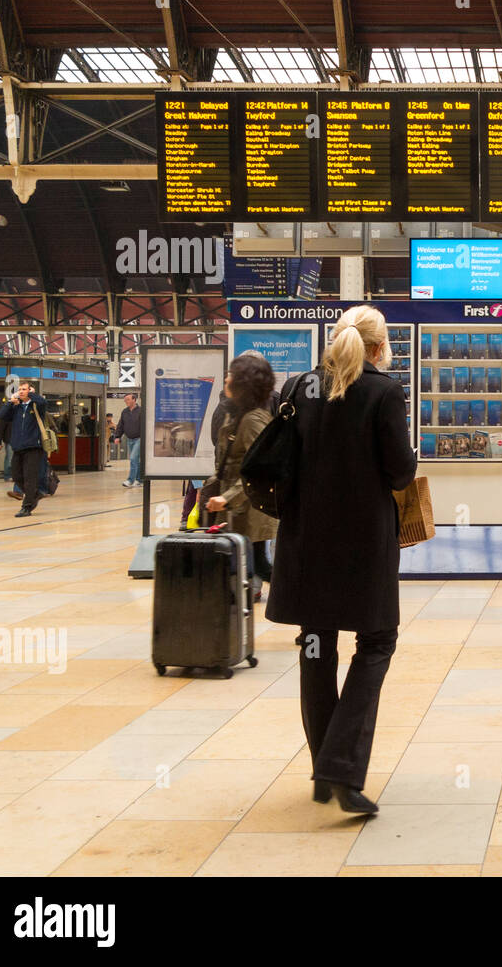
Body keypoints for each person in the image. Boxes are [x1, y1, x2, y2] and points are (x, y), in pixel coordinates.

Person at [265, 305, 416, 815]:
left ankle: (326, 762)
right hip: (364, 546)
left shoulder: (297, 389)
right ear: (379, 347)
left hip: (305, 544)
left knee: (315, 644)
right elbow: (399, 473)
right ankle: (340, 767)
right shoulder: (384, 392)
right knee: (376, 641)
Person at [203, 353, 278, 599]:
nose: (227, 379)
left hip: (248, 507)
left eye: (231, 376)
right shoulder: (235, 413)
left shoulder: (252, 419)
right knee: (255, 563)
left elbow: (261, 467)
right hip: (239, 508)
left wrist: (227, 498)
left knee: (258, 565)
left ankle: (305, 604)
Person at [0, 381, 48, 518]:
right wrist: (10, 402)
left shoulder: (37, 405)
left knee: (30, 477)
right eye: (19, 389)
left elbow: (42, 401)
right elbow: (1, 416)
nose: (21, 391)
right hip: (18, 447)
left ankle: (27, 507)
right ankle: (35, 494)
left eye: (24, 389)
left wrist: (31, 394)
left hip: (33, 447)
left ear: (30, 390)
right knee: (17, 475)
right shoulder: (16, 407)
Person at [115, 393, 143, 487]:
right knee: (136, 460)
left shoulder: (141, 411)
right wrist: (117, 436)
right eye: (125, 399)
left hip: (139, 438)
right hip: (129, 439)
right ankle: (139, 480)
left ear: (134, 400)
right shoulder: (124, 412)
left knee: (133, 458)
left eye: (127, 399)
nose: (125, 401)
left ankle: (130, 480)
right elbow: (120, 425)